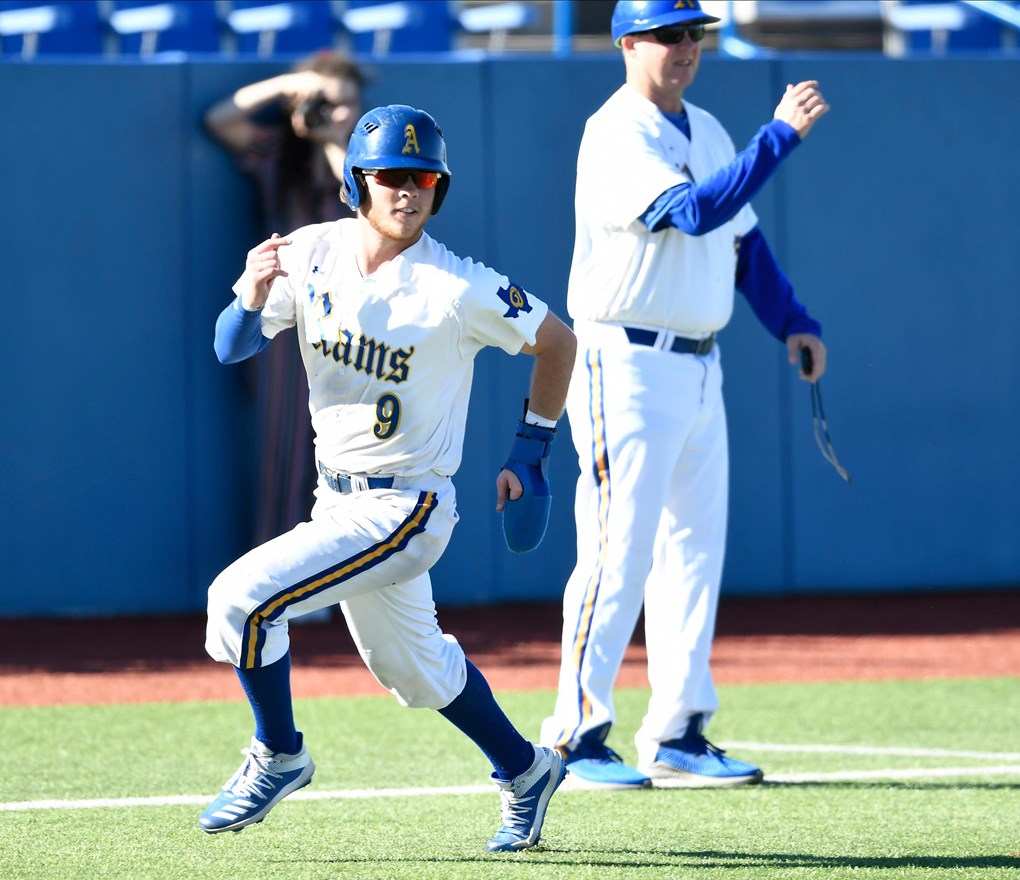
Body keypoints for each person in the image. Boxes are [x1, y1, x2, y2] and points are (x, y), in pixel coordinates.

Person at [199, 104, 577, 853]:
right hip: (334, 496)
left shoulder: (455, 286)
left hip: (406, 505)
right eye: (391, 176)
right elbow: (230, 347)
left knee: (240, 602)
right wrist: (247, 295)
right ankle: (527, 769)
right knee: (415, 669)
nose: (408, 191)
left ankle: (280, 754)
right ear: (355, 184)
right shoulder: (309, 252)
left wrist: (531, 451)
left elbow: (558, 342)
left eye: (424, 178)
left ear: (440, 189)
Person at [540, 0, 831, 790]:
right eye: (670, 33)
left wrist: (792, 321)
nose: (687, 46)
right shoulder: (616, 132)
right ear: (629, 42)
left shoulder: (703, 128)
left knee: (693, 553)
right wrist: (777, 138)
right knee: (616, 548)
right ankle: (573, 734)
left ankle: (678, 731)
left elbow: (742, 240)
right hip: (622, 360)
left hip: (700, 363)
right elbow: (693, 211)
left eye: (695, 32)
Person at [204, 50, 364, 549]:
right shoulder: (280, 154)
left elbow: (363, 202)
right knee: (285, 448)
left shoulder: (365, 160)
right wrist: (291, 85)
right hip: (288, 315)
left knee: (354, 450)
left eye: (347, 104)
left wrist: (336, 140)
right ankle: (278, 571)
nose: (337, 113)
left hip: (356, 322)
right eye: (327, 103)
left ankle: (339, 566)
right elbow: (220, 118)